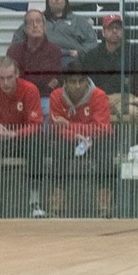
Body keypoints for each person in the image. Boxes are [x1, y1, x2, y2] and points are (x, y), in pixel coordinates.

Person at [0, 57, 47, 218]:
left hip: (22, 139)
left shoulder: (30, 89)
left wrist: (15, 134)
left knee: (36, 143)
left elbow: (36, 124)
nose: (5, 82)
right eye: (1, 78)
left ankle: (34, 200)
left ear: (17, 74)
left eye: (9, 77)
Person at [47, 65, 115, 217]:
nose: (78, 86)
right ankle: (57, 201)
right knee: (58, 151)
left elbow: (102, 128)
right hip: (68, 141)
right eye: (73, 82)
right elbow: (56, 129)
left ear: (86, 81)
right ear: (65, 82)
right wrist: (75, 134)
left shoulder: (99, 95)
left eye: (81, 81)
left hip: (98, 141)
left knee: (105, 154)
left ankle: (104, 201)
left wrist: (69, 125)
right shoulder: (56, 96)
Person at [79, 14, 138, 121]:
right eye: (110, 28)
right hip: (99, 98)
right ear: (103, 32)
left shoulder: (133, 51)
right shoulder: (93, 55)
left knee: (133, 112)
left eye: (118, 28)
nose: (115, 31)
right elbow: (84, 83)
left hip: (125, 98)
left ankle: (128, 138)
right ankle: (97, 138)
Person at [11, 0, 98, 66]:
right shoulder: (37, 20)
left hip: (70, 62)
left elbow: (93, 44)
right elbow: (17, 40)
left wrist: (79, 52)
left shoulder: (79, 21)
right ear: (48, 0)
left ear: (65, 0)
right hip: (41, 62)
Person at [7, 9, 65, 105]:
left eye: (38, 21)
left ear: (44, 27)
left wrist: (26, 77)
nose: (35, 25)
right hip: (20, 97)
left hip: (44, 97)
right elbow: (13, 79)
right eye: (30, 22)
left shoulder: (54, 51)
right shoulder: (14, 51)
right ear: (25, 29)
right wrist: (43, 82)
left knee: (48, 109)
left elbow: (51, 78)